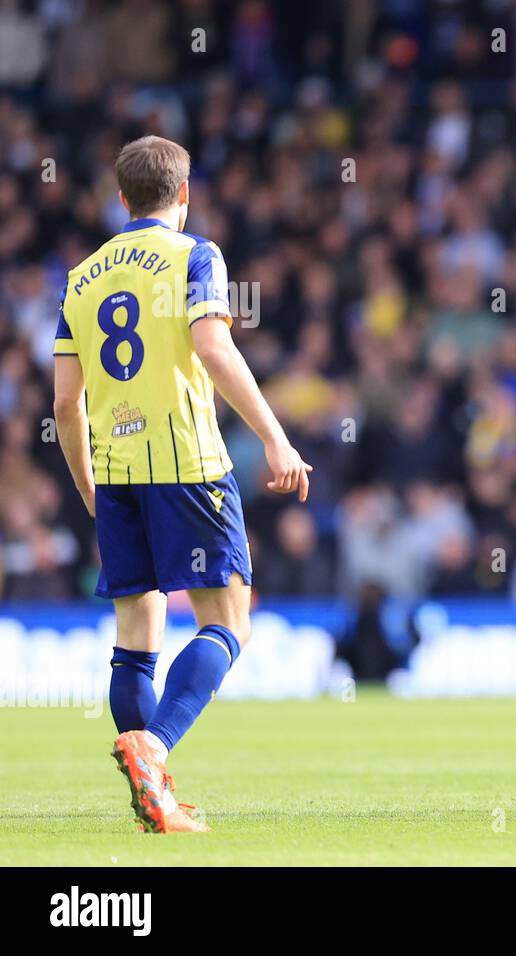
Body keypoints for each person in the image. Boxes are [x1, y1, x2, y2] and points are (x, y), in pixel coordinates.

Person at [51, 136, 312, 833]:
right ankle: (154, 745)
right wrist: (274, 436)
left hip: (118, 474)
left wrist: (90, 486)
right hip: (188, 467)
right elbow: (211, 343)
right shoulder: (197, 254)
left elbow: (63, 404)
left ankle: (154, 798)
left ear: (121, 197)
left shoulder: (81, 276)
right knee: (228, 621)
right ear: (186, 193)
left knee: (136, 631)